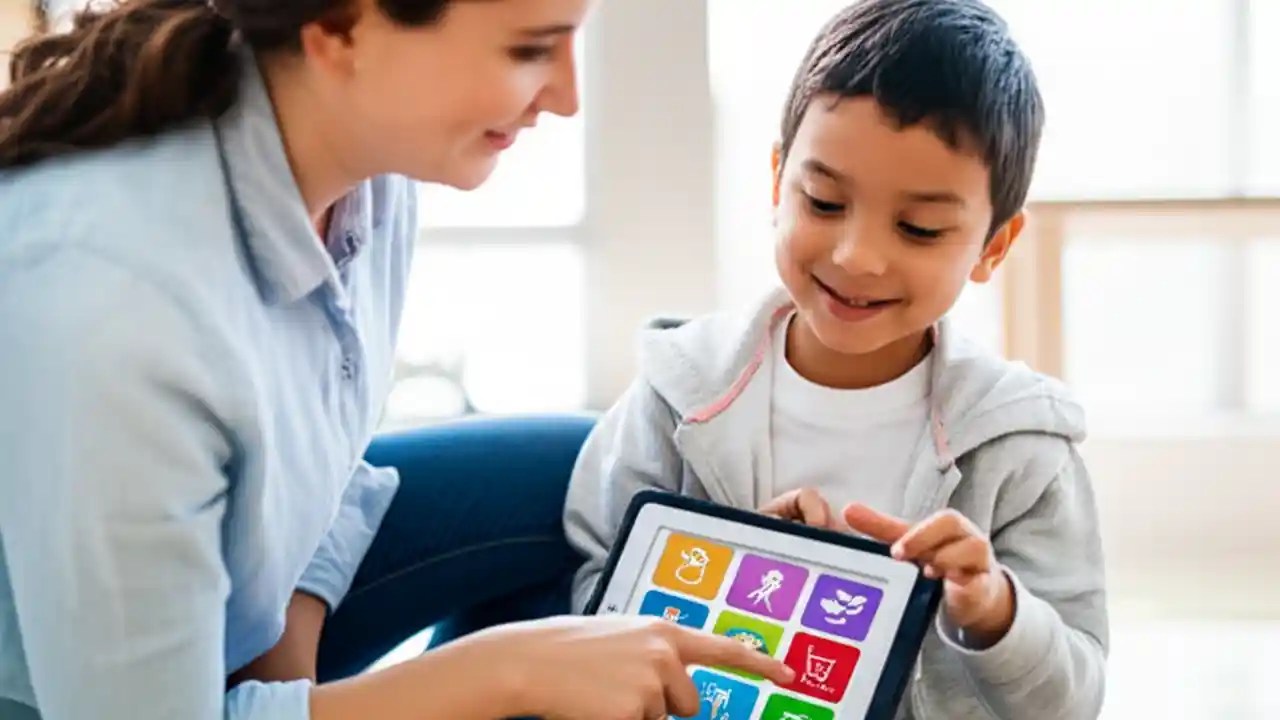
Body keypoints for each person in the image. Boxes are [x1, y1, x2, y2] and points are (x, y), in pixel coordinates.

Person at [0, 0, 795, 718]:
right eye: (528, 50)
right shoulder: (111, 307)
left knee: (591, 479)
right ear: (342, 30)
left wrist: (297, 691)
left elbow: (325, 464)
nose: (566, 96)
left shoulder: (361, 168)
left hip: (234, 626)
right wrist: (500, 675)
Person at [564, 0, 1108, 717]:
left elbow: (1074, 699)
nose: (857, 257)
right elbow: (589, 607)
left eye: (919, 228)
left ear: (994, 247)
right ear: (776, 182)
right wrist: (730, 568)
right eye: (823, 202)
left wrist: (996, 611)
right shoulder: (678, 391)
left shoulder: (1020, 447)